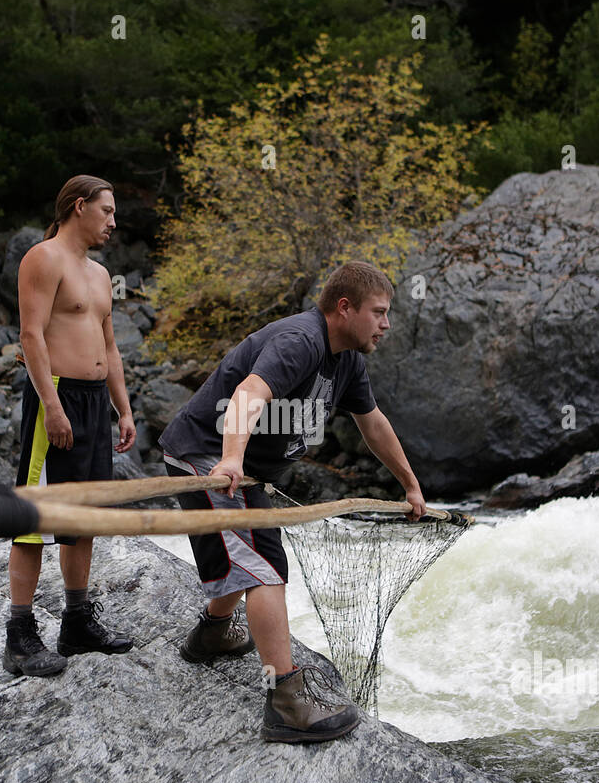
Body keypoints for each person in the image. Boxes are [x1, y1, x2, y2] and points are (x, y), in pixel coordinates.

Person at [158, 261, 427, 743]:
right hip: (205, 457)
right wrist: (232, 459)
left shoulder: (348, 362)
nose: (387, 325)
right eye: (380, 313)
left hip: (247, 470)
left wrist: (410, 485)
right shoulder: (300, 341)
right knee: (262, 563)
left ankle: (215, 631)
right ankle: (284, 698)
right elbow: (248, 394)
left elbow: (374, 424)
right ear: (344, 308)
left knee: (253, 548)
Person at [4, 174, 137, 677]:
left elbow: (109, 347)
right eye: (106, 211)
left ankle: (76, 622)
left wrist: (122, 409)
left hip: (92, 402)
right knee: (36, 519)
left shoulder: (100, 275)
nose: (112, 221)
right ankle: (18, 637)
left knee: (82, 516)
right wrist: (50, 405)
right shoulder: (43, 258)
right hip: (53, 399)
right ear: (78, 207)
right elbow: (31, 335)